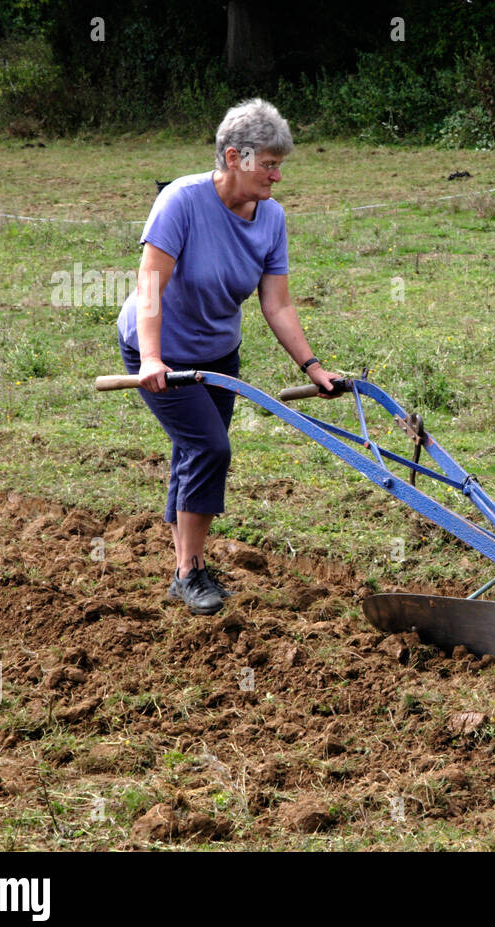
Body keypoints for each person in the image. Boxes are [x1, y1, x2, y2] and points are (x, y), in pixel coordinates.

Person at [115, 98, 344, 615]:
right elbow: (149, 289)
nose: (277, 176)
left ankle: (183, 569)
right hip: (160, 350)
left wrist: (313, 367)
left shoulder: (271, 218)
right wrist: (151, 359)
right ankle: (190, 571)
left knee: (193, 450)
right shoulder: (182, 201)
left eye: (279, 163)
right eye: (268, 163)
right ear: (234, 157)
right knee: (210, 449)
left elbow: (277, 303)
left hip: (219, 352)